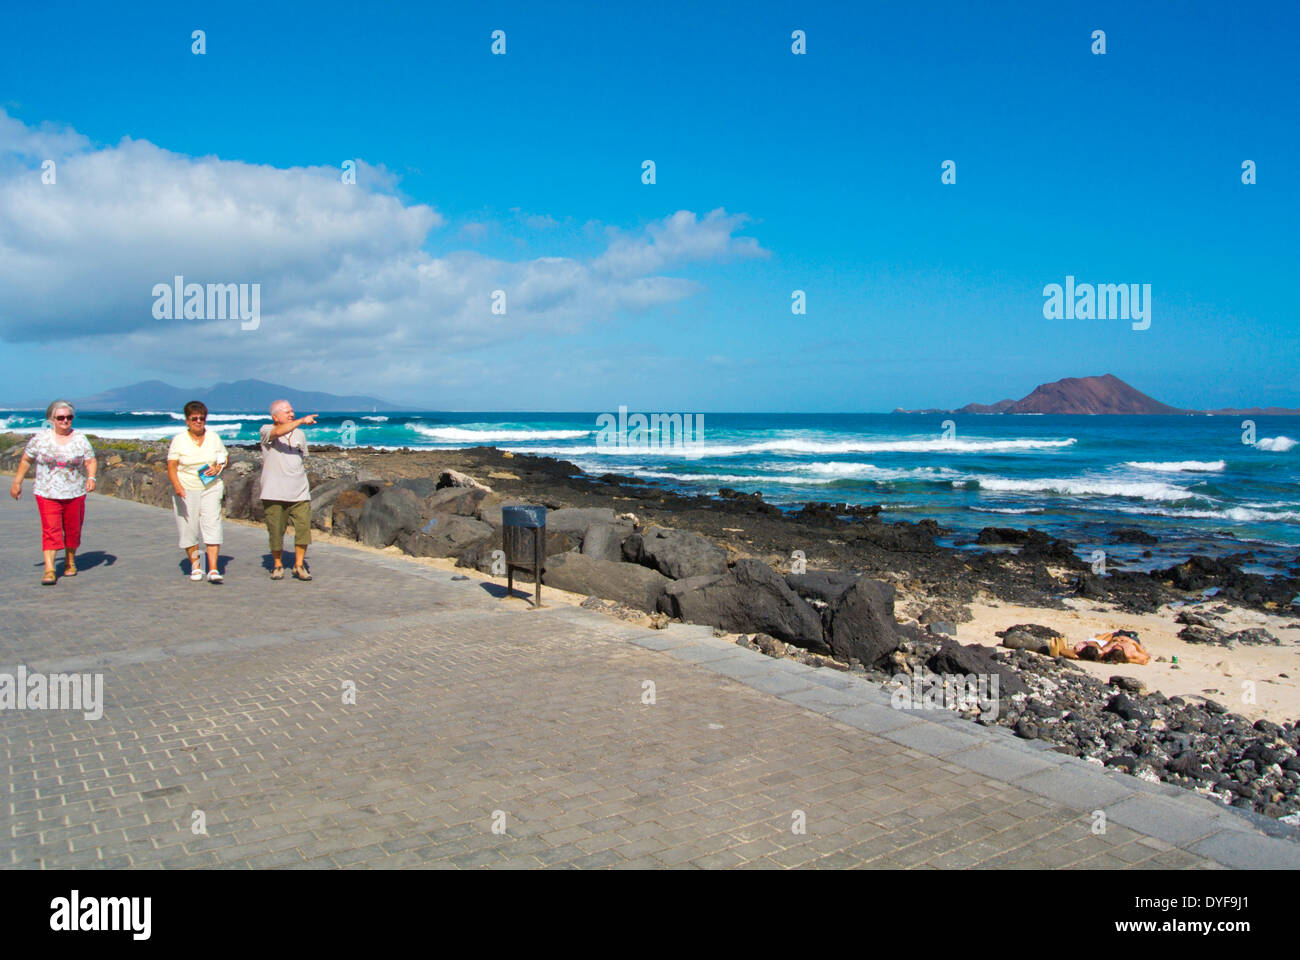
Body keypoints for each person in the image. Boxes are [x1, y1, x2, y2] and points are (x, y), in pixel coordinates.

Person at [9, 401, 97, 585]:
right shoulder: (40, 439)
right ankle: (49, 569)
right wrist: (17, 482)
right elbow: (26, 459)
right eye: (61, 418)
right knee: (51, 529)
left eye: (69, 417)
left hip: (74, 492)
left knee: (73, 529)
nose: (65, 421)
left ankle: (70, 561)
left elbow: (90, 460)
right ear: (52, 419)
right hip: (47, 492)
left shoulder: (80, 438)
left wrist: (91, 478)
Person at [167, 400, 227, 583]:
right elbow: (171, 465)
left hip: (210, 487)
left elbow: (223, 457)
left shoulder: (213, 437)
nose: (198, 422)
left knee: (212, 524)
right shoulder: (179, 440)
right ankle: (196, 566)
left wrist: (218, 468)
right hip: (187, 487)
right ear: (187, 420)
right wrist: (177, 486)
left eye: (202, 418)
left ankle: (214, 569)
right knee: (189, 527)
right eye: (194, 419)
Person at [259, 399, 318, 581]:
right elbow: (278, 433)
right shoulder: (266, 430)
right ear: (275, 416)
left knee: (303, 528)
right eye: (287, 412)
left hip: (299, 491)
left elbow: (301, 457)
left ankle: (298, 565)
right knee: (276, 530)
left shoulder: (300, 435)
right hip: (274, 492)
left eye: (292, 411)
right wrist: (300, 420)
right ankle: (277, 565)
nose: (291, 414)